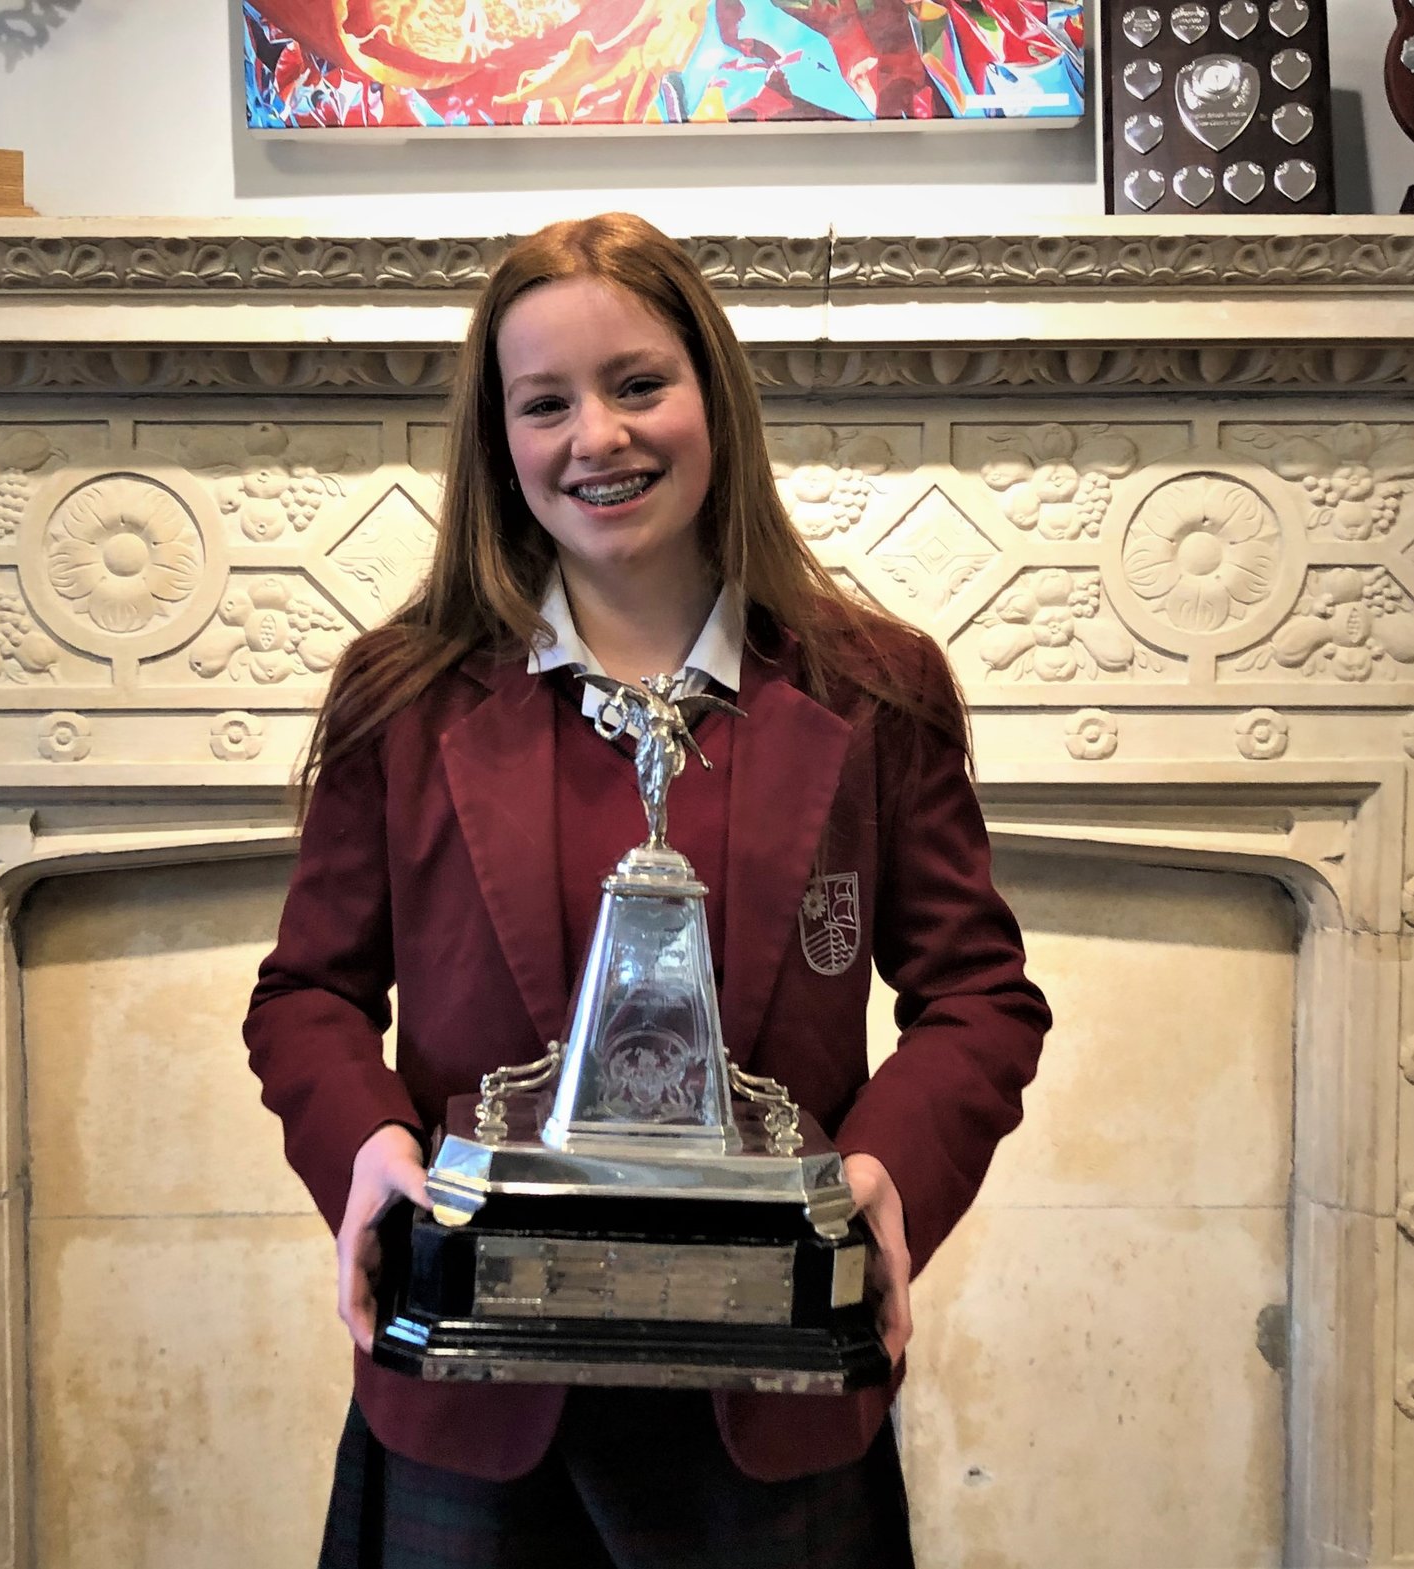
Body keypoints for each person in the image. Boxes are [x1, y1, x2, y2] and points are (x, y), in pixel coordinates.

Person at [243, 211, 1051, 1569]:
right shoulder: (402, 693)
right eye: (543, 402)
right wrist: (373, 1157)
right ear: (497, 439)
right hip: (470, 1407)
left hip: (771, 1402)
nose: (595, 438)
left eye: (636, 385)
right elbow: (308, 993)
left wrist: (875, 1177)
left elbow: (977, 995)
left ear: (711, 395)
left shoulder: (872, 686)